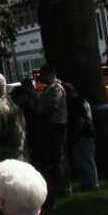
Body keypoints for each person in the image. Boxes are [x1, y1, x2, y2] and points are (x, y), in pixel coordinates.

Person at [29, 64, 69, 198]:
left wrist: (40, 112)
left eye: (43, 74)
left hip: (56, 125)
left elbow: (53, 106)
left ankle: (62, 186)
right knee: (52, 157)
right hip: (50, 125)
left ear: (50, 74)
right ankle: (56, 185)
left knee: (57, 157)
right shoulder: (49, 89)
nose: (41, 78)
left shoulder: (56, 88)